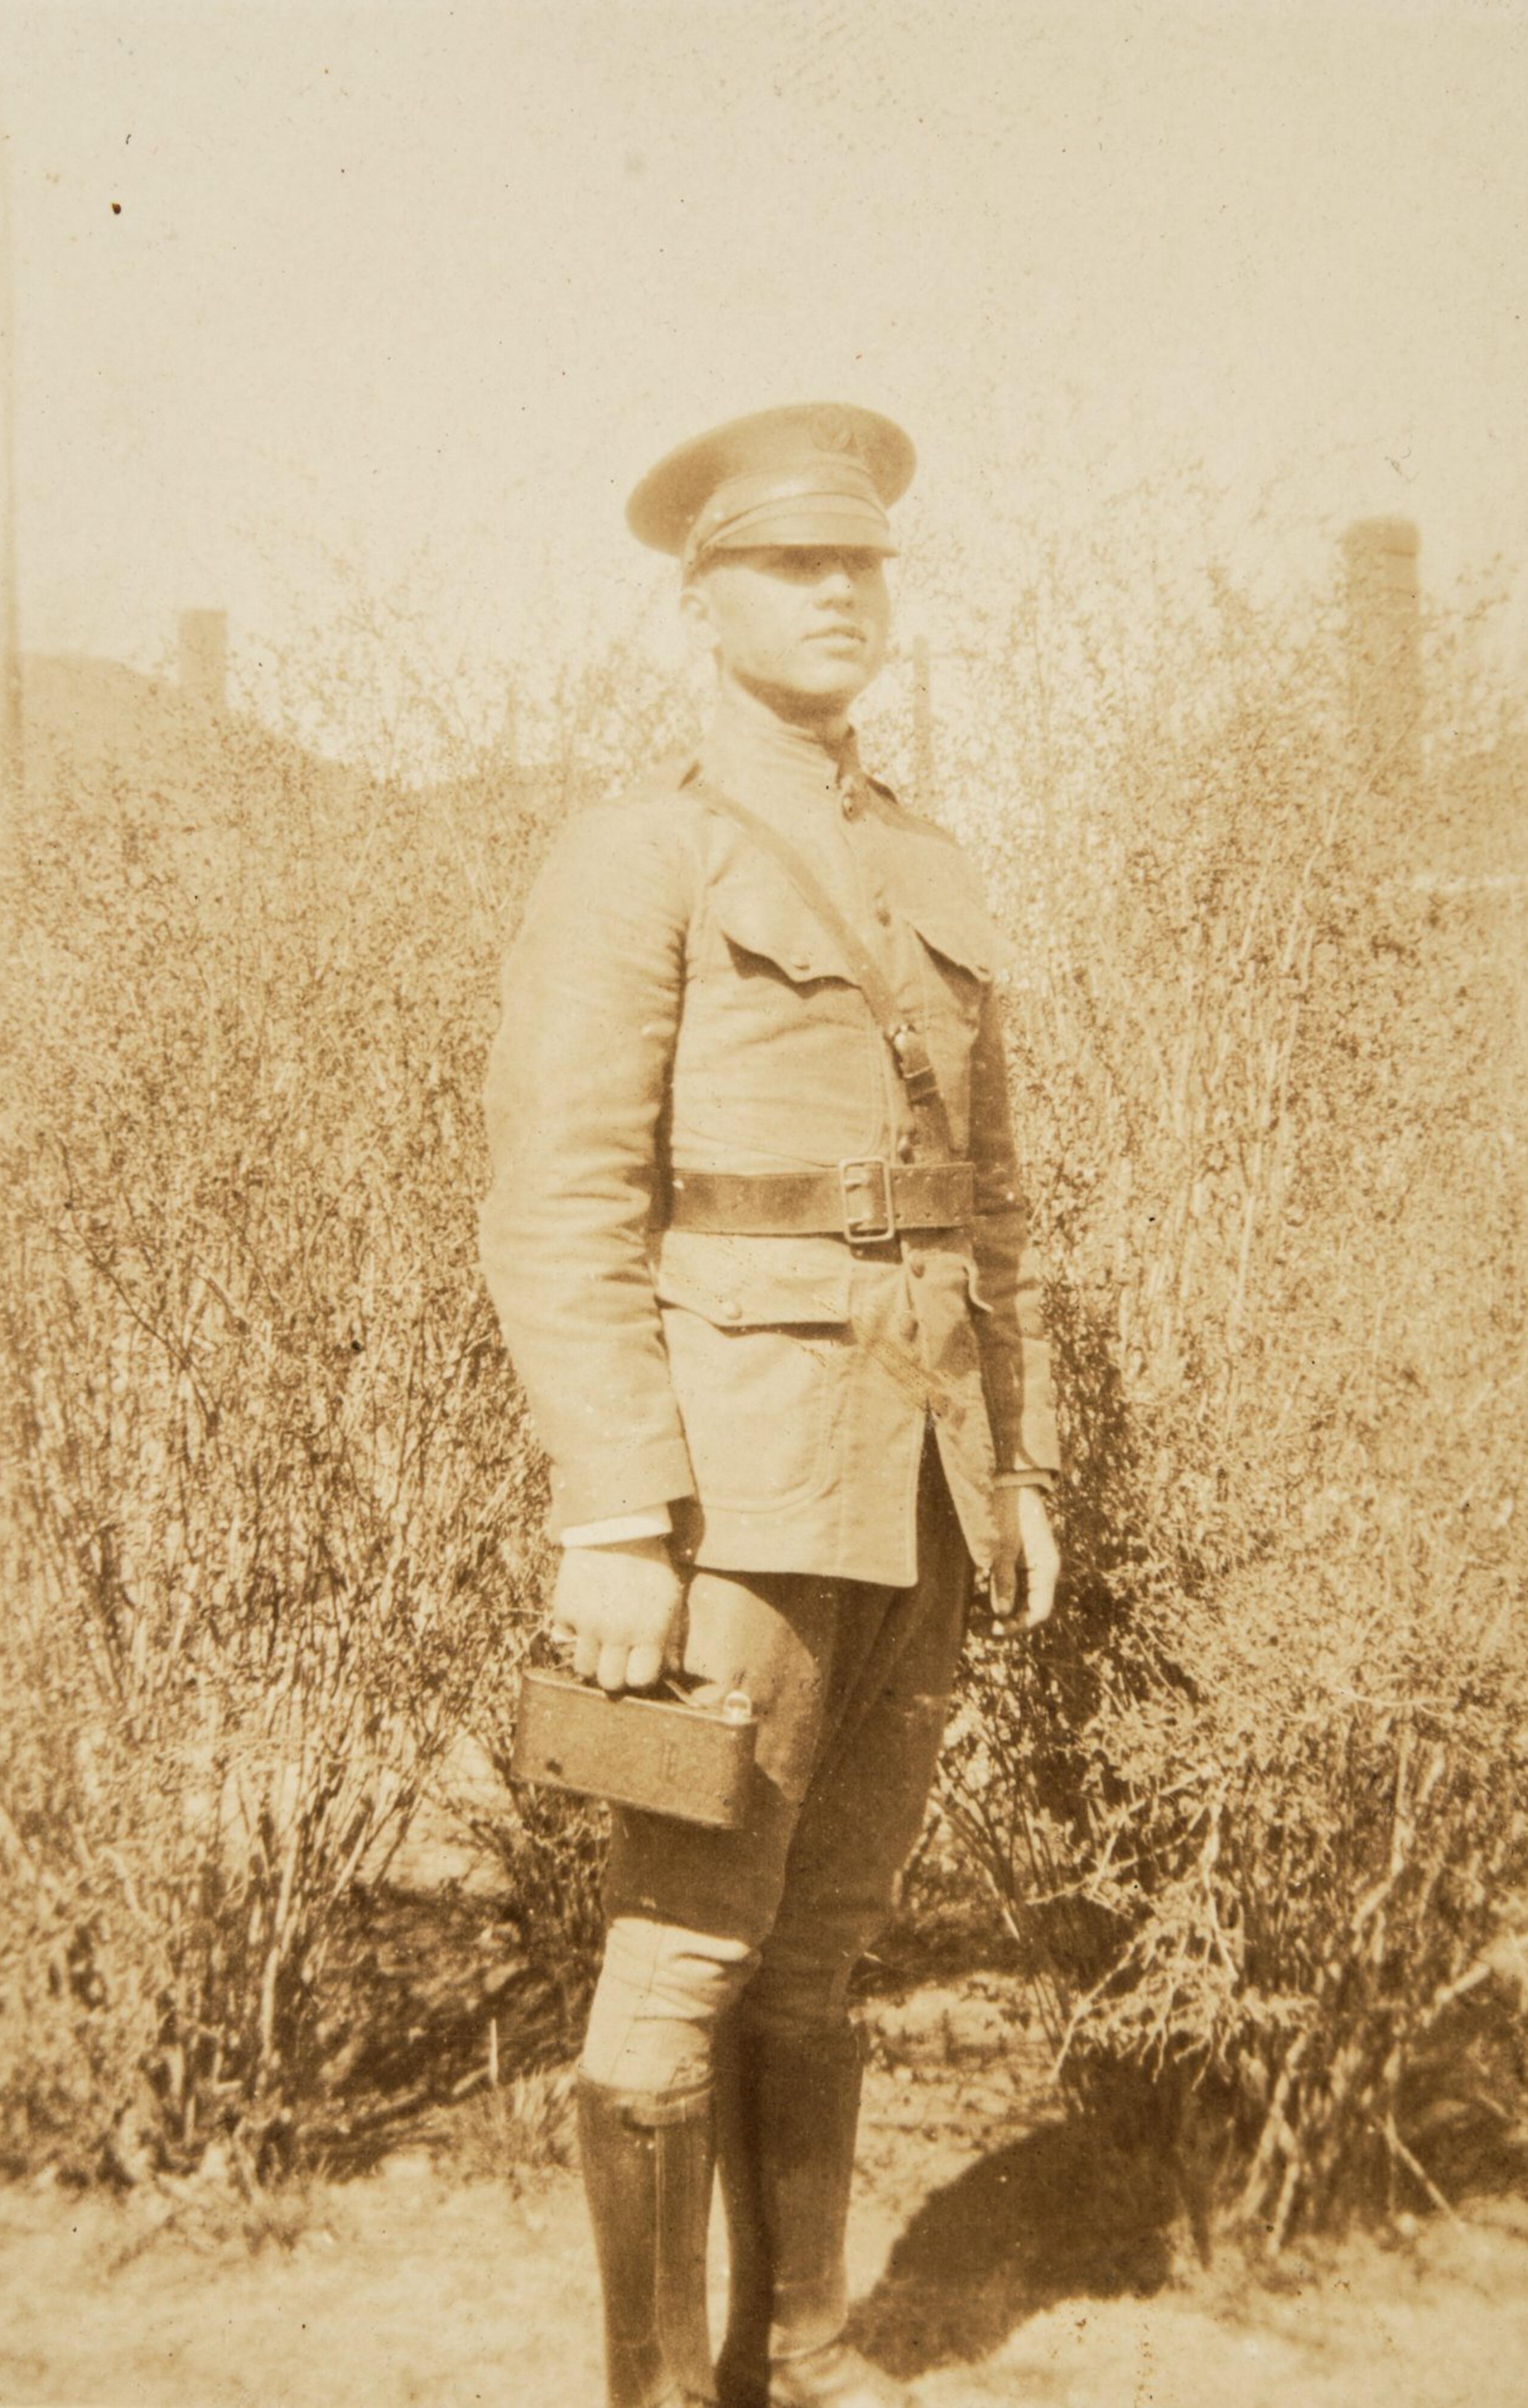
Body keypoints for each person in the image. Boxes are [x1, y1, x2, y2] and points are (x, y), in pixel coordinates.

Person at [479, 402, 1061, 2408]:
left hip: (915, 1482)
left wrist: (1022, 1456)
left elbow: (994, 1202)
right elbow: (557, 1205)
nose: (837, 594)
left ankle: (792, 2357)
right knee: (683, 1955)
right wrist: (614, 1515)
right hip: (729, 1491)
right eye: (790, 565)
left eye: (863, 565)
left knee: (820, 1963)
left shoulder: (925, 856)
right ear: (698, 595)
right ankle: (651, 2397)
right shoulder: (640, 849)